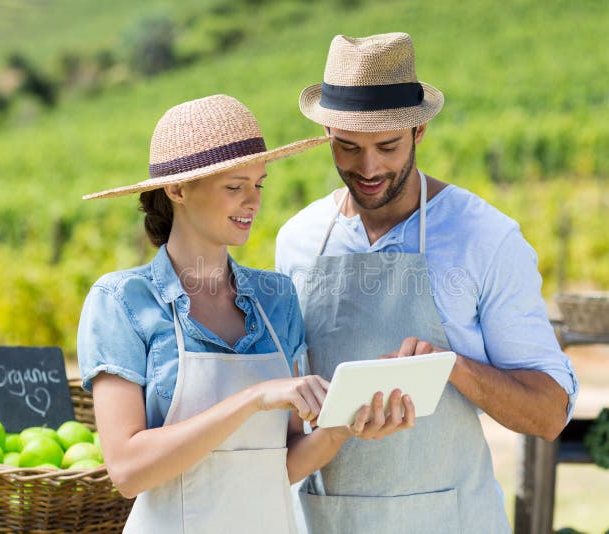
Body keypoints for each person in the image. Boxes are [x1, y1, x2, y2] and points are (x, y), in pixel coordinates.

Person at [275, 33, 580, 533]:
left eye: (387, 146)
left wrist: (451, 366)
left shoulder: (483, 237)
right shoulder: (299, 240)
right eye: (348, 146)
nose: (368, 168)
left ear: (419, 130)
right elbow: (288, 419)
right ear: (327, 130)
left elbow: (548, 415)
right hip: (328, 520)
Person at [77, 95, 370, 533]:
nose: (253, 201)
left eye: (259, 184)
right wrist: (254, 398)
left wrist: (338, 429)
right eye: (235, 187)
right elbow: (128, 470)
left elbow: (281, 463)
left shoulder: (276, 298)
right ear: (178, 190)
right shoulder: (123, 301)